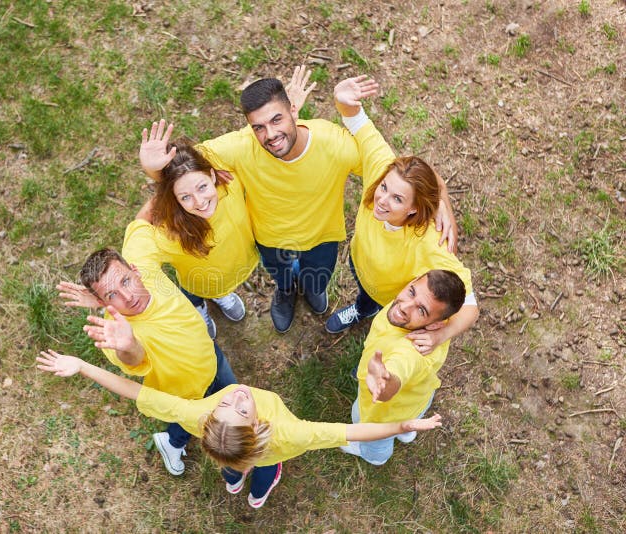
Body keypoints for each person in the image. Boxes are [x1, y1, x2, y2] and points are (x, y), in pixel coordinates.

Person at [195, 69, 457, 334]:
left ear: (293, 110)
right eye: (259, 127)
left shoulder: (335, 144)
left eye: (277, 120)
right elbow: (186, 162)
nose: (270, 135)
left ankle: (311, 289)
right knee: (282, 276)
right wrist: (206, 169)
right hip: (271, 237)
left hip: (322, 237)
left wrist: (440, 195)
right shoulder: (241, 147)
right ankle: (286, 292)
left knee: (317, 281)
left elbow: (398, 168)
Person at [36, 349, 443, 508]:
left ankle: (235, 481)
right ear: (254, 426)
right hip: (268, 453)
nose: (237, 395)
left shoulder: (197, 415)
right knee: (264, 470)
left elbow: (135, 391)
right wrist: (404, 422)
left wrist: (83, 366)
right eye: (237, 406)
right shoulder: (292, 434)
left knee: (234, 465)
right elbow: (351, 433)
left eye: (229, 403)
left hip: (236, 452)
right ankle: (257, 491)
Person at [135, 69, 316, 337]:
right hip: (199, 278)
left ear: (212, 174)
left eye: (202, 187)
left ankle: (223, 293)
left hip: (238, 259)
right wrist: (154, 174)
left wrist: (287, 115)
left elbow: (251, 137)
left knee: (223, 280)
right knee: (195, 290)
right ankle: (202, 305)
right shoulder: (170, 229)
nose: (199, 202)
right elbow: (140, 233)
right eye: (185, 197)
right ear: (173, 198)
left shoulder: (229, 178)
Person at [56, 230, 236, 477]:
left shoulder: (145, 262)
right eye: (111, 296)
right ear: (103, 304)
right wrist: (128, 345)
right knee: (201, 424)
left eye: (125, 281)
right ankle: (173, 443)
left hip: (212, 356)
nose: (128, 297)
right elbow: (134, 358)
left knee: (230, 391)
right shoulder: (116, 333)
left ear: (134, 269)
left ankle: (173, 440)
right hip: (184, 395)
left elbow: (142, 220)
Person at [324, 75, 478, 356]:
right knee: (362, 289)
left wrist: (442, 334)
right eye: (384, 188)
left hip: (390, 295)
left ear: (414, 208)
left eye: (397, 199)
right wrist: (341, 99)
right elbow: (356, 120)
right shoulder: (384, 169)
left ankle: (367, 310)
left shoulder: (432, 243)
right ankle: (360, 307)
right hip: (359, 261)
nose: (381, 200)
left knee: (375, 304)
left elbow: (471, 305)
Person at [340, 269, 463, 466]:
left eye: (421, 310)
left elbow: (399, 370)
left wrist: (384, 382)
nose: (405, 307)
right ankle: (407, 431)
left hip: (383, 416)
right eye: (411, 292)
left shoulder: (414, 350)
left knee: (372, 437)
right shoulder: (440, 325)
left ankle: (372, 455)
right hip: (415, 401)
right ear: (412, 281)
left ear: (435, 325)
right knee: (412, 416)